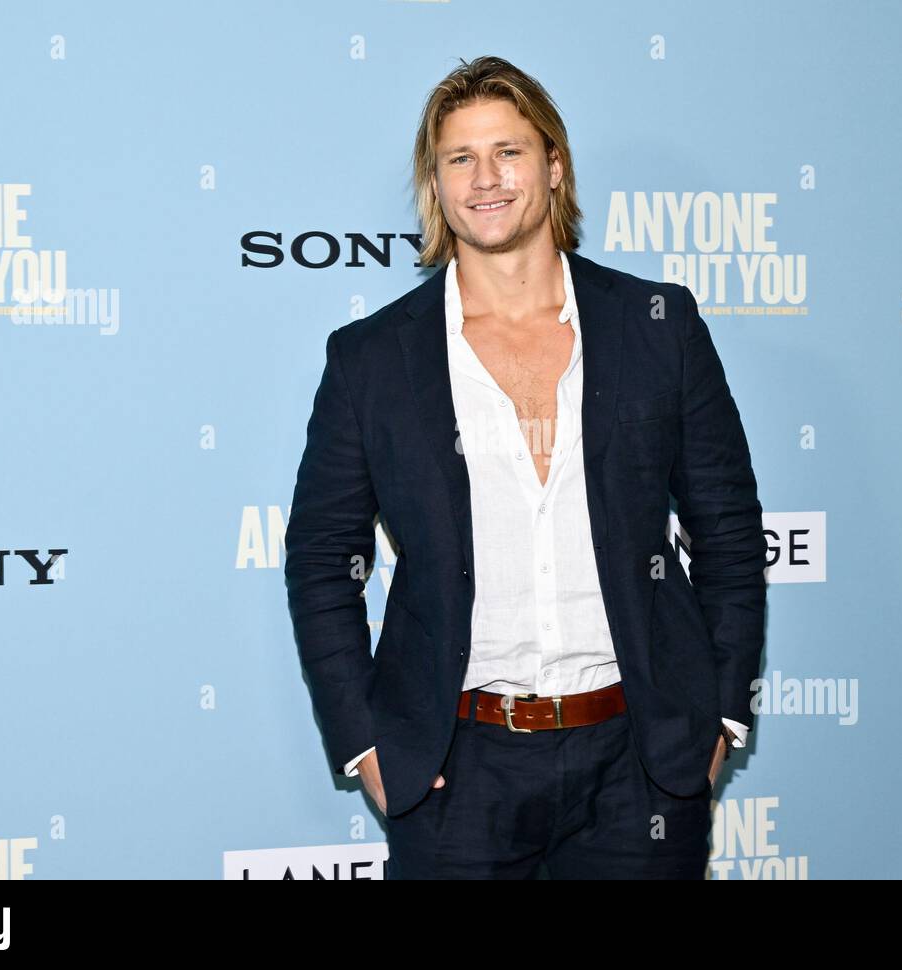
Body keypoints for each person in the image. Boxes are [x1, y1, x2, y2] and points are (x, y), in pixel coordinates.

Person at [284, 55, 767, 879]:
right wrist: (365, 743)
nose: (485, 178)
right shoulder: (371, 360)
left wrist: (720, 720)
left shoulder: (657, 326)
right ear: (435, 186)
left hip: (641, 766)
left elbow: (728, 532)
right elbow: (321, 561)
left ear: (554, 165)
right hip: (456, 772)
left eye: (507, 151)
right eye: (458, 159)